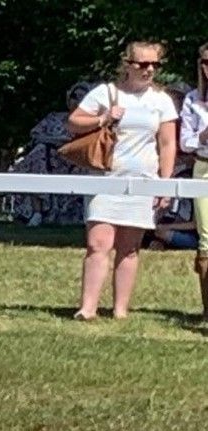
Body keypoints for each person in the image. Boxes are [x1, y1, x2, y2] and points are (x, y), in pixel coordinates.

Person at [66, 40, 179, 321]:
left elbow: (167, 144)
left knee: (129, 249)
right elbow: (73, 122)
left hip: (143, 179)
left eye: (155, 64)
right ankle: (88, 308)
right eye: (143, 64)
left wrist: (164, 185)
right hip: (105, 177)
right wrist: (103, 117)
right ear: (127, 65)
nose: (149, 69)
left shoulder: (161, 100)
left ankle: (120, 311)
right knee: (98, 243)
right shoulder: (106, 92)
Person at [182, 42, 208, 317]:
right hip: (204, 167)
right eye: (205, 62)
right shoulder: (193, 100)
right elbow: (186, 143)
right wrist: (204, 135)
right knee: (206, 239)